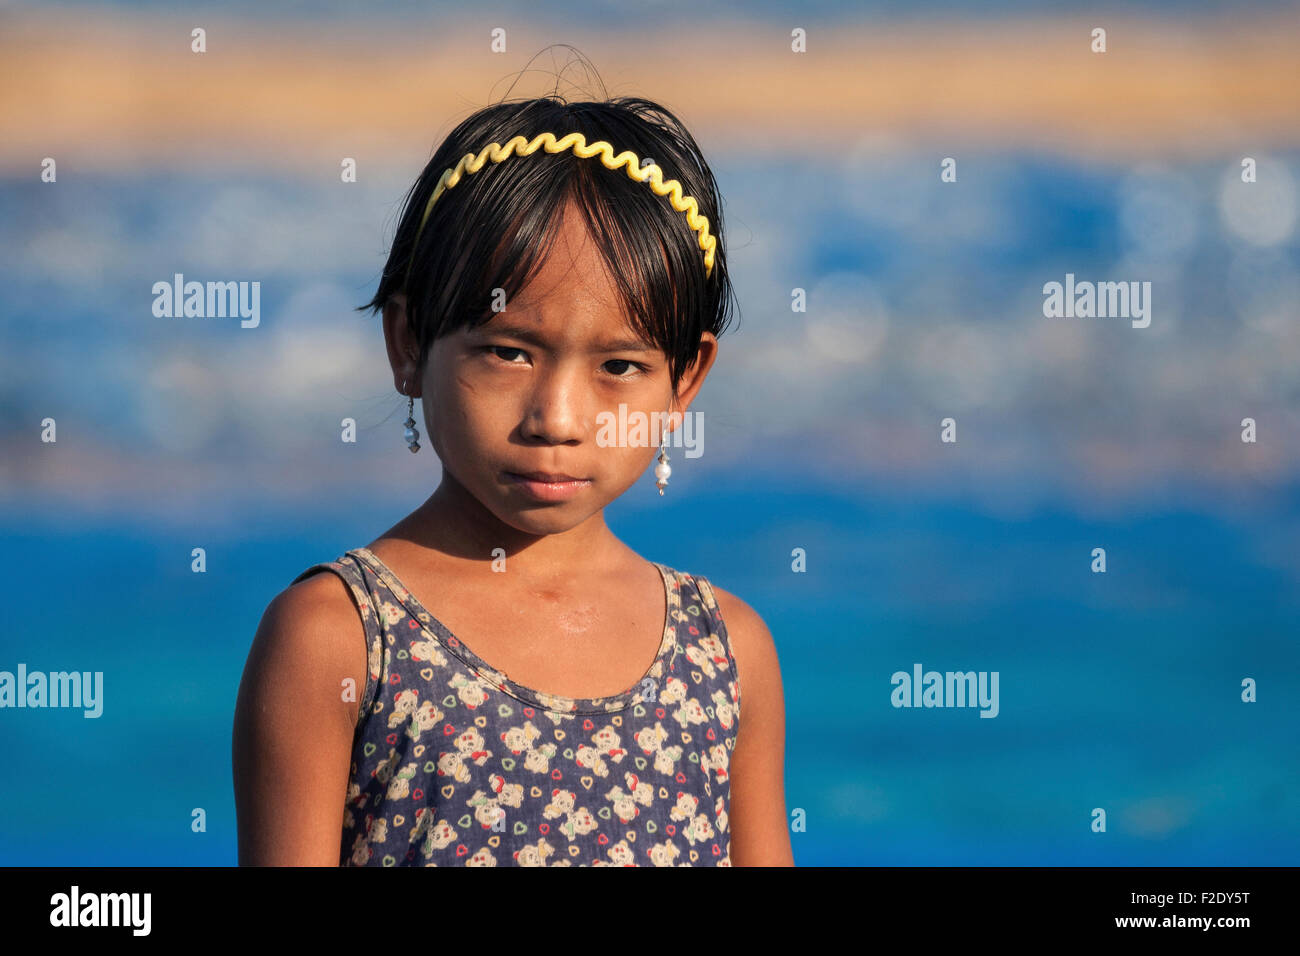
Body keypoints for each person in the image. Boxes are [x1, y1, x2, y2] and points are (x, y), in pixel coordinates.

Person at [232, 92, 792, 866]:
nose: (556, 418)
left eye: (620, 367)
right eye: (508, 352)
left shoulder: (725, 652)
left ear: (685, 383)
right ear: (408, 343)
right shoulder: (341, 639)